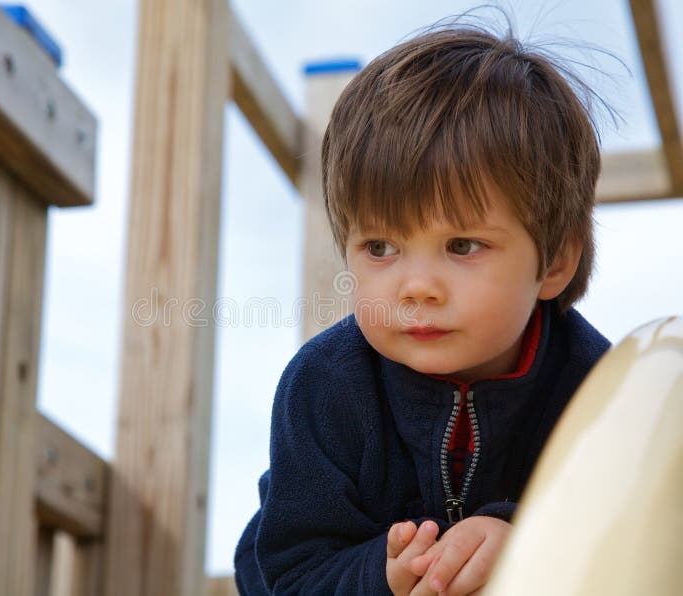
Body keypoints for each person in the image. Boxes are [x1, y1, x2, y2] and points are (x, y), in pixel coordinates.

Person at [234, 20, 611, 596]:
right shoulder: (325, 385)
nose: (417, 288)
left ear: (554, 262)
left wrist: (521, 533)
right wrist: (385, 577)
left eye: (462, 246)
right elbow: (291, 569)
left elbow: (619, 529)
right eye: (380, 248)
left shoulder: (595, 390)